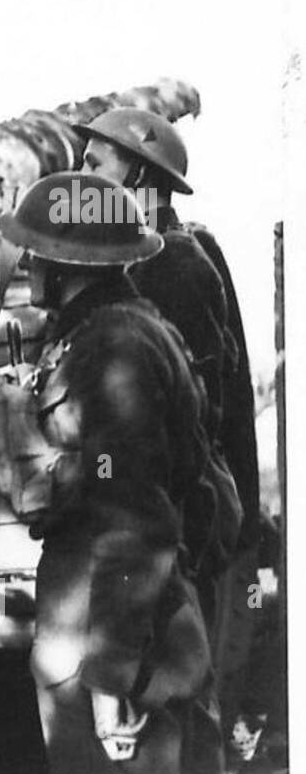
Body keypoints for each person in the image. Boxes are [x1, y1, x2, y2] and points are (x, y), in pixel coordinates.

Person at [0, 171, 233, 774]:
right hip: (135, 622)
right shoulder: (127, 329)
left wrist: (110, 679)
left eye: (35, 250)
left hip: (111, 643)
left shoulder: (110, 350)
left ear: (64, 262)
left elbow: (134, 522)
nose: (27, 264)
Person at [76, 108, 256, 724]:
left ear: (140, 178)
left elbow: (196, 415)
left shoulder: (173, 264)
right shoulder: (148, 261)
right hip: (161, 517)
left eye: (96, 164)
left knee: (179, 692)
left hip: (177, 518)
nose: (82, 178)